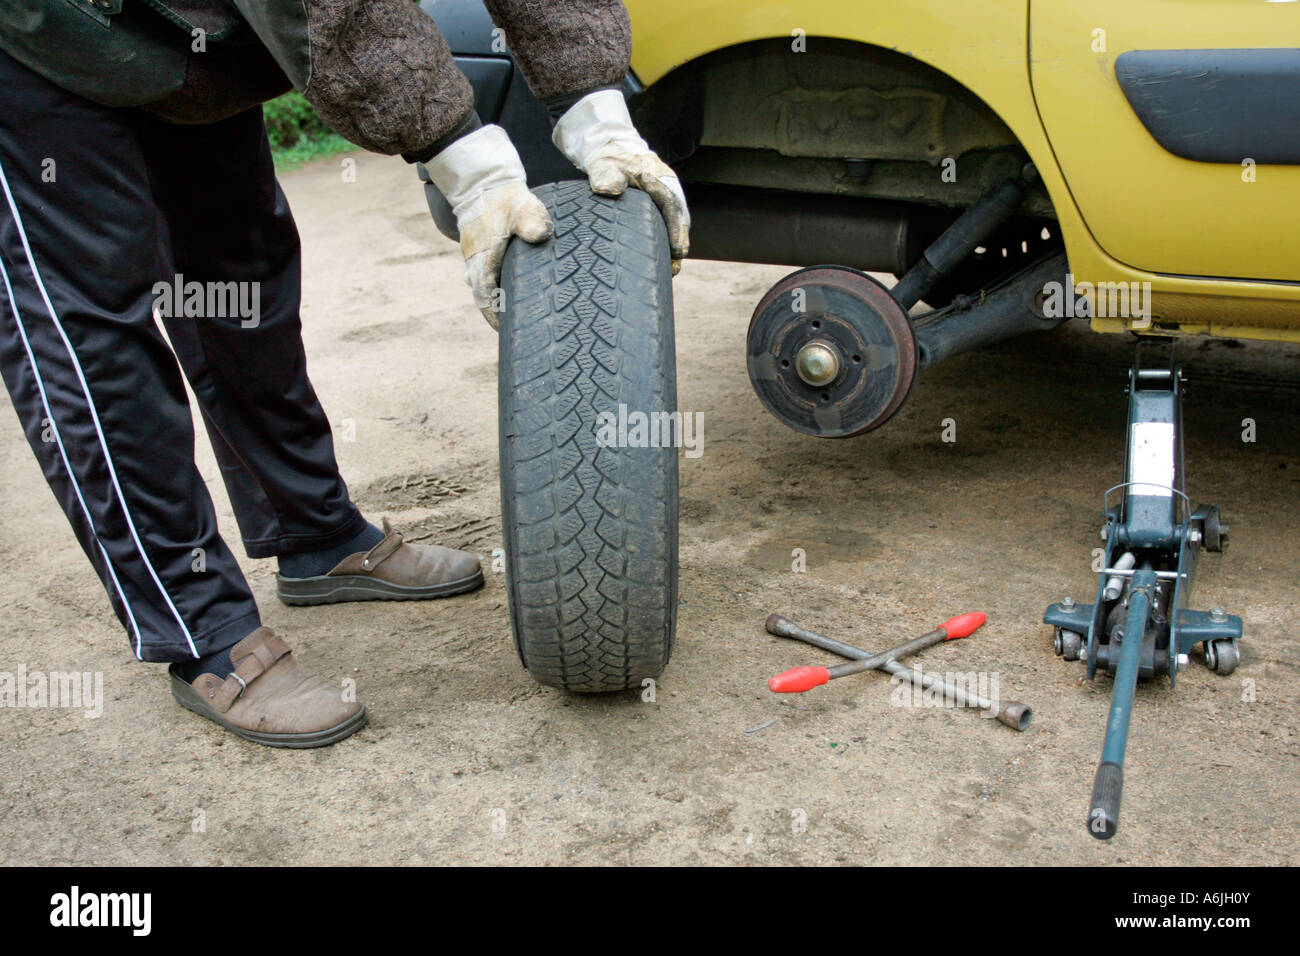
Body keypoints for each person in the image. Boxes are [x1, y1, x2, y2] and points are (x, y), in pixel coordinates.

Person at [0, 0, 690, 748]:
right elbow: (334, 12)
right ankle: (202, 627)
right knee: (94, 336)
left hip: (192, 51)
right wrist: (470, 165)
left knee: (240, 280)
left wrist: (598, 112)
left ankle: (314, 535)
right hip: (43, 40)